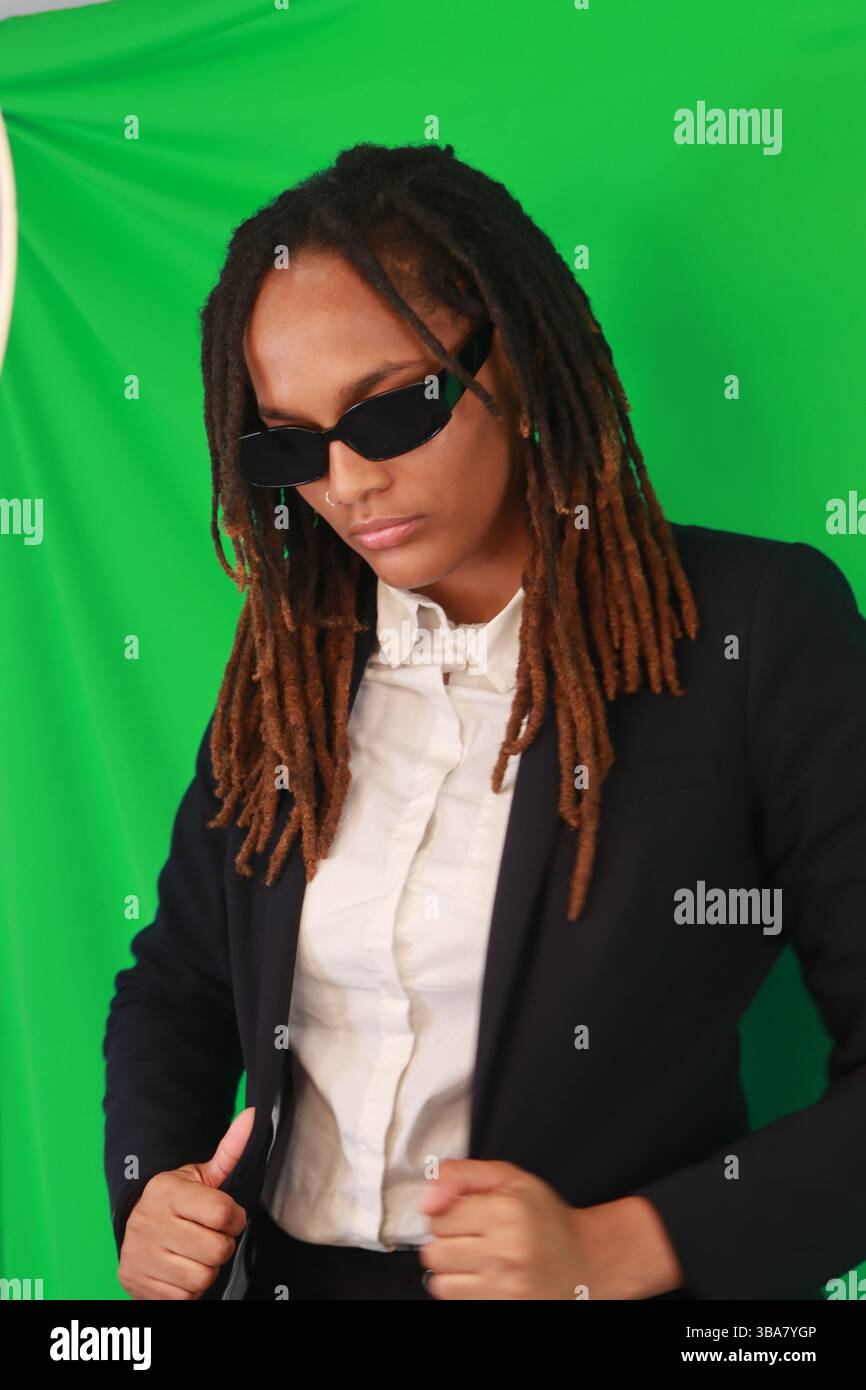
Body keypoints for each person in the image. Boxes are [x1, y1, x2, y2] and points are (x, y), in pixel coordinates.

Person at [102, 141, 866, 1301]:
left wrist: (614, 1248)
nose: (344, 484)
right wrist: (151, 1185)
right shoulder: (288, 667)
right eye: (288, 443)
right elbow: (178, 984)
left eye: (386, 410)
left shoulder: (748, 632)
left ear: (504, 357)